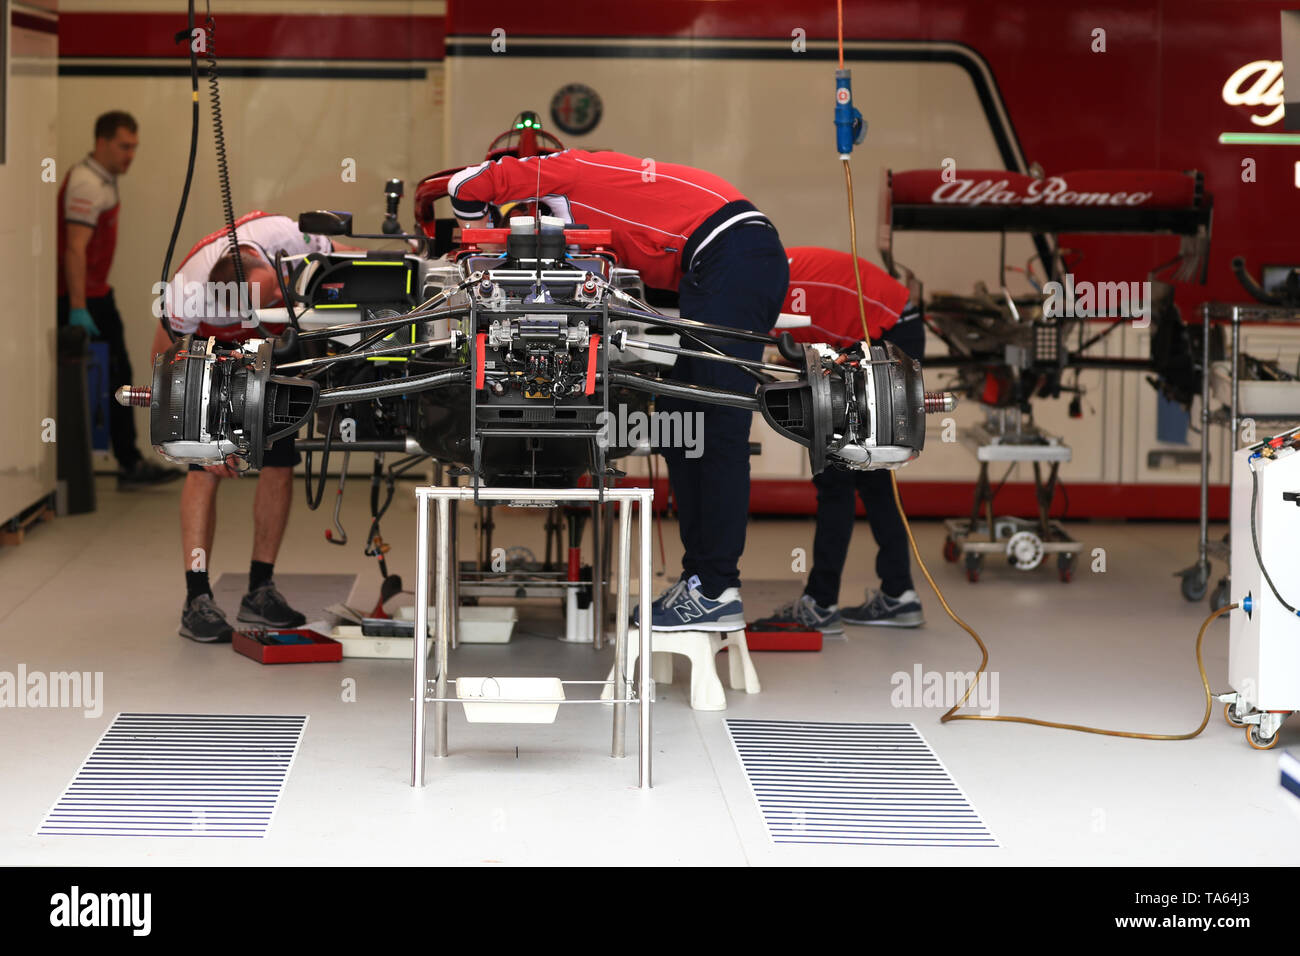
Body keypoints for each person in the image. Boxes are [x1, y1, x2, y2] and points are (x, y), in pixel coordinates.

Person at [448, 149, 788, 631]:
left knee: (716, 424)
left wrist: (479, 243)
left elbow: (464, 185)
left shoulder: (563, 170)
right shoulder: (611, 192)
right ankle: (702, 581)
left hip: (732, 255)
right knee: (682, 421)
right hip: (719, 263)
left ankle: (717, 588)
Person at [151, 211, 336, 643]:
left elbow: (342, 258)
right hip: (209, 351)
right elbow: (167, 359)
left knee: (279, 458)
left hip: (276, 344)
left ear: (272, 265)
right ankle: (196, 598)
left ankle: (260, 589)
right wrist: (192, 435)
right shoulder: (187, 293)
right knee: (201, 468)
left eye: (269, 290)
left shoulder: (284, 235)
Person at [755, 247, 926, 633]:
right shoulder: (767, 269)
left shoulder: (763, 286)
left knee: (837, 472)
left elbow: (817, 359)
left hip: (888, 330)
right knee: (872, 472)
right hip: (890, 323)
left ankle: (821, 603)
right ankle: (900, 594)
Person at [57, 110, 180, 489]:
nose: (131, 155)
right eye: (125, 146)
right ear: (103, 141)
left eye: (134, 147)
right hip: (82, 300)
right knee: (111, 378)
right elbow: (74, 250)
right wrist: (77, 307)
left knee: (118, 375)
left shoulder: (103, 180)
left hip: (96, 295)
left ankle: (127, 461)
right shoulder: (86, 184)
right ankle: (121, 464)